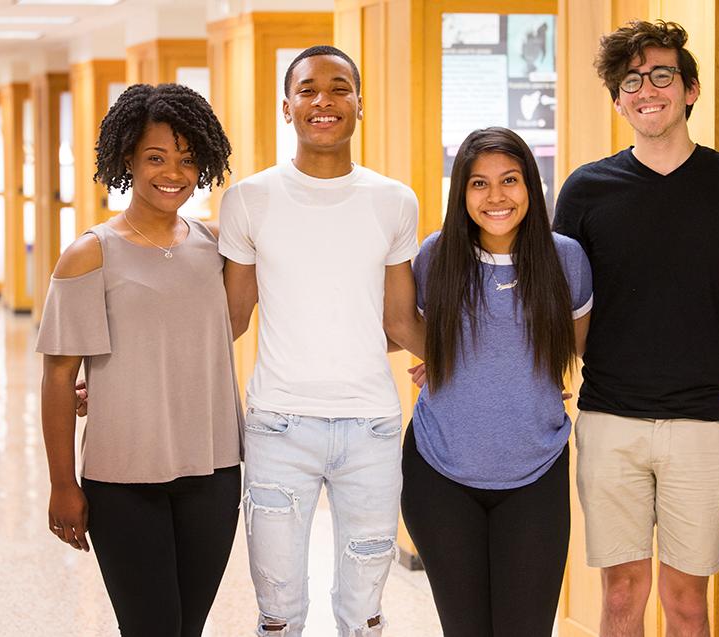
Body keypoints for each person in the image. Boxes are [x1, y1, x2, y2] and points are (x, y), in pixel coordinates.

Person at [552, 21, 719, 637]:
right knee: (621, 595)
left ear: (690, 88)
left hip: (702, 424)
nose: (646, 89)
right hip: (609, 419)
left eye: (661, 74)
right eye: (631, 81)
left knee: (685, 601)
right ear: (618, 100)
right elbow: (558, 305)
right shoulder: (585, 189)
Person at [218, 45, 423, 637]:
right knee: (278, 613)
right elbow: (229, 319)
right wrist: (118, 370)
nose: (323, 101)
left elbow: (401, 323)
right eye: (308, 90)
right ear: (287, 107)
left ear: (361, 104)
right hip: (278, 427)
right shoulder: (249, 199)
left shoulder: (393, 200)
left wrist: (498, 371)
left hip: (373, 430)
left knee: (365, 614)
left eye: (339, 88)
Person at [37, 83, 240, 637]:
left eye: (187, 159)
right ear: (127, 158)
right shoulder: (90, 252)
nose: (172, 172)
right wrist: (61, 484)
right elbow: (59, 375)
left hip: (214, 471)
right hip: (123, 477)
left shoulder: (215, 245)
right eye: (155, 157)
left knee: (187, 627)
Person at [400, 127, 592, 636]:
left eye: (509, 180)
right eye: (479, 184)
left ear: (531, 184)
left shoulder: (565, 258)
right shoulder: (435, 255)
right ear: (460, 192)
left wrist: (522, 378)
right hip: (440, 471)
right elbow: (419, 336)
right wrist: (451, 364)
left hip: (535, 470)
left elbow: (573, 348)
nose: (496, 196)